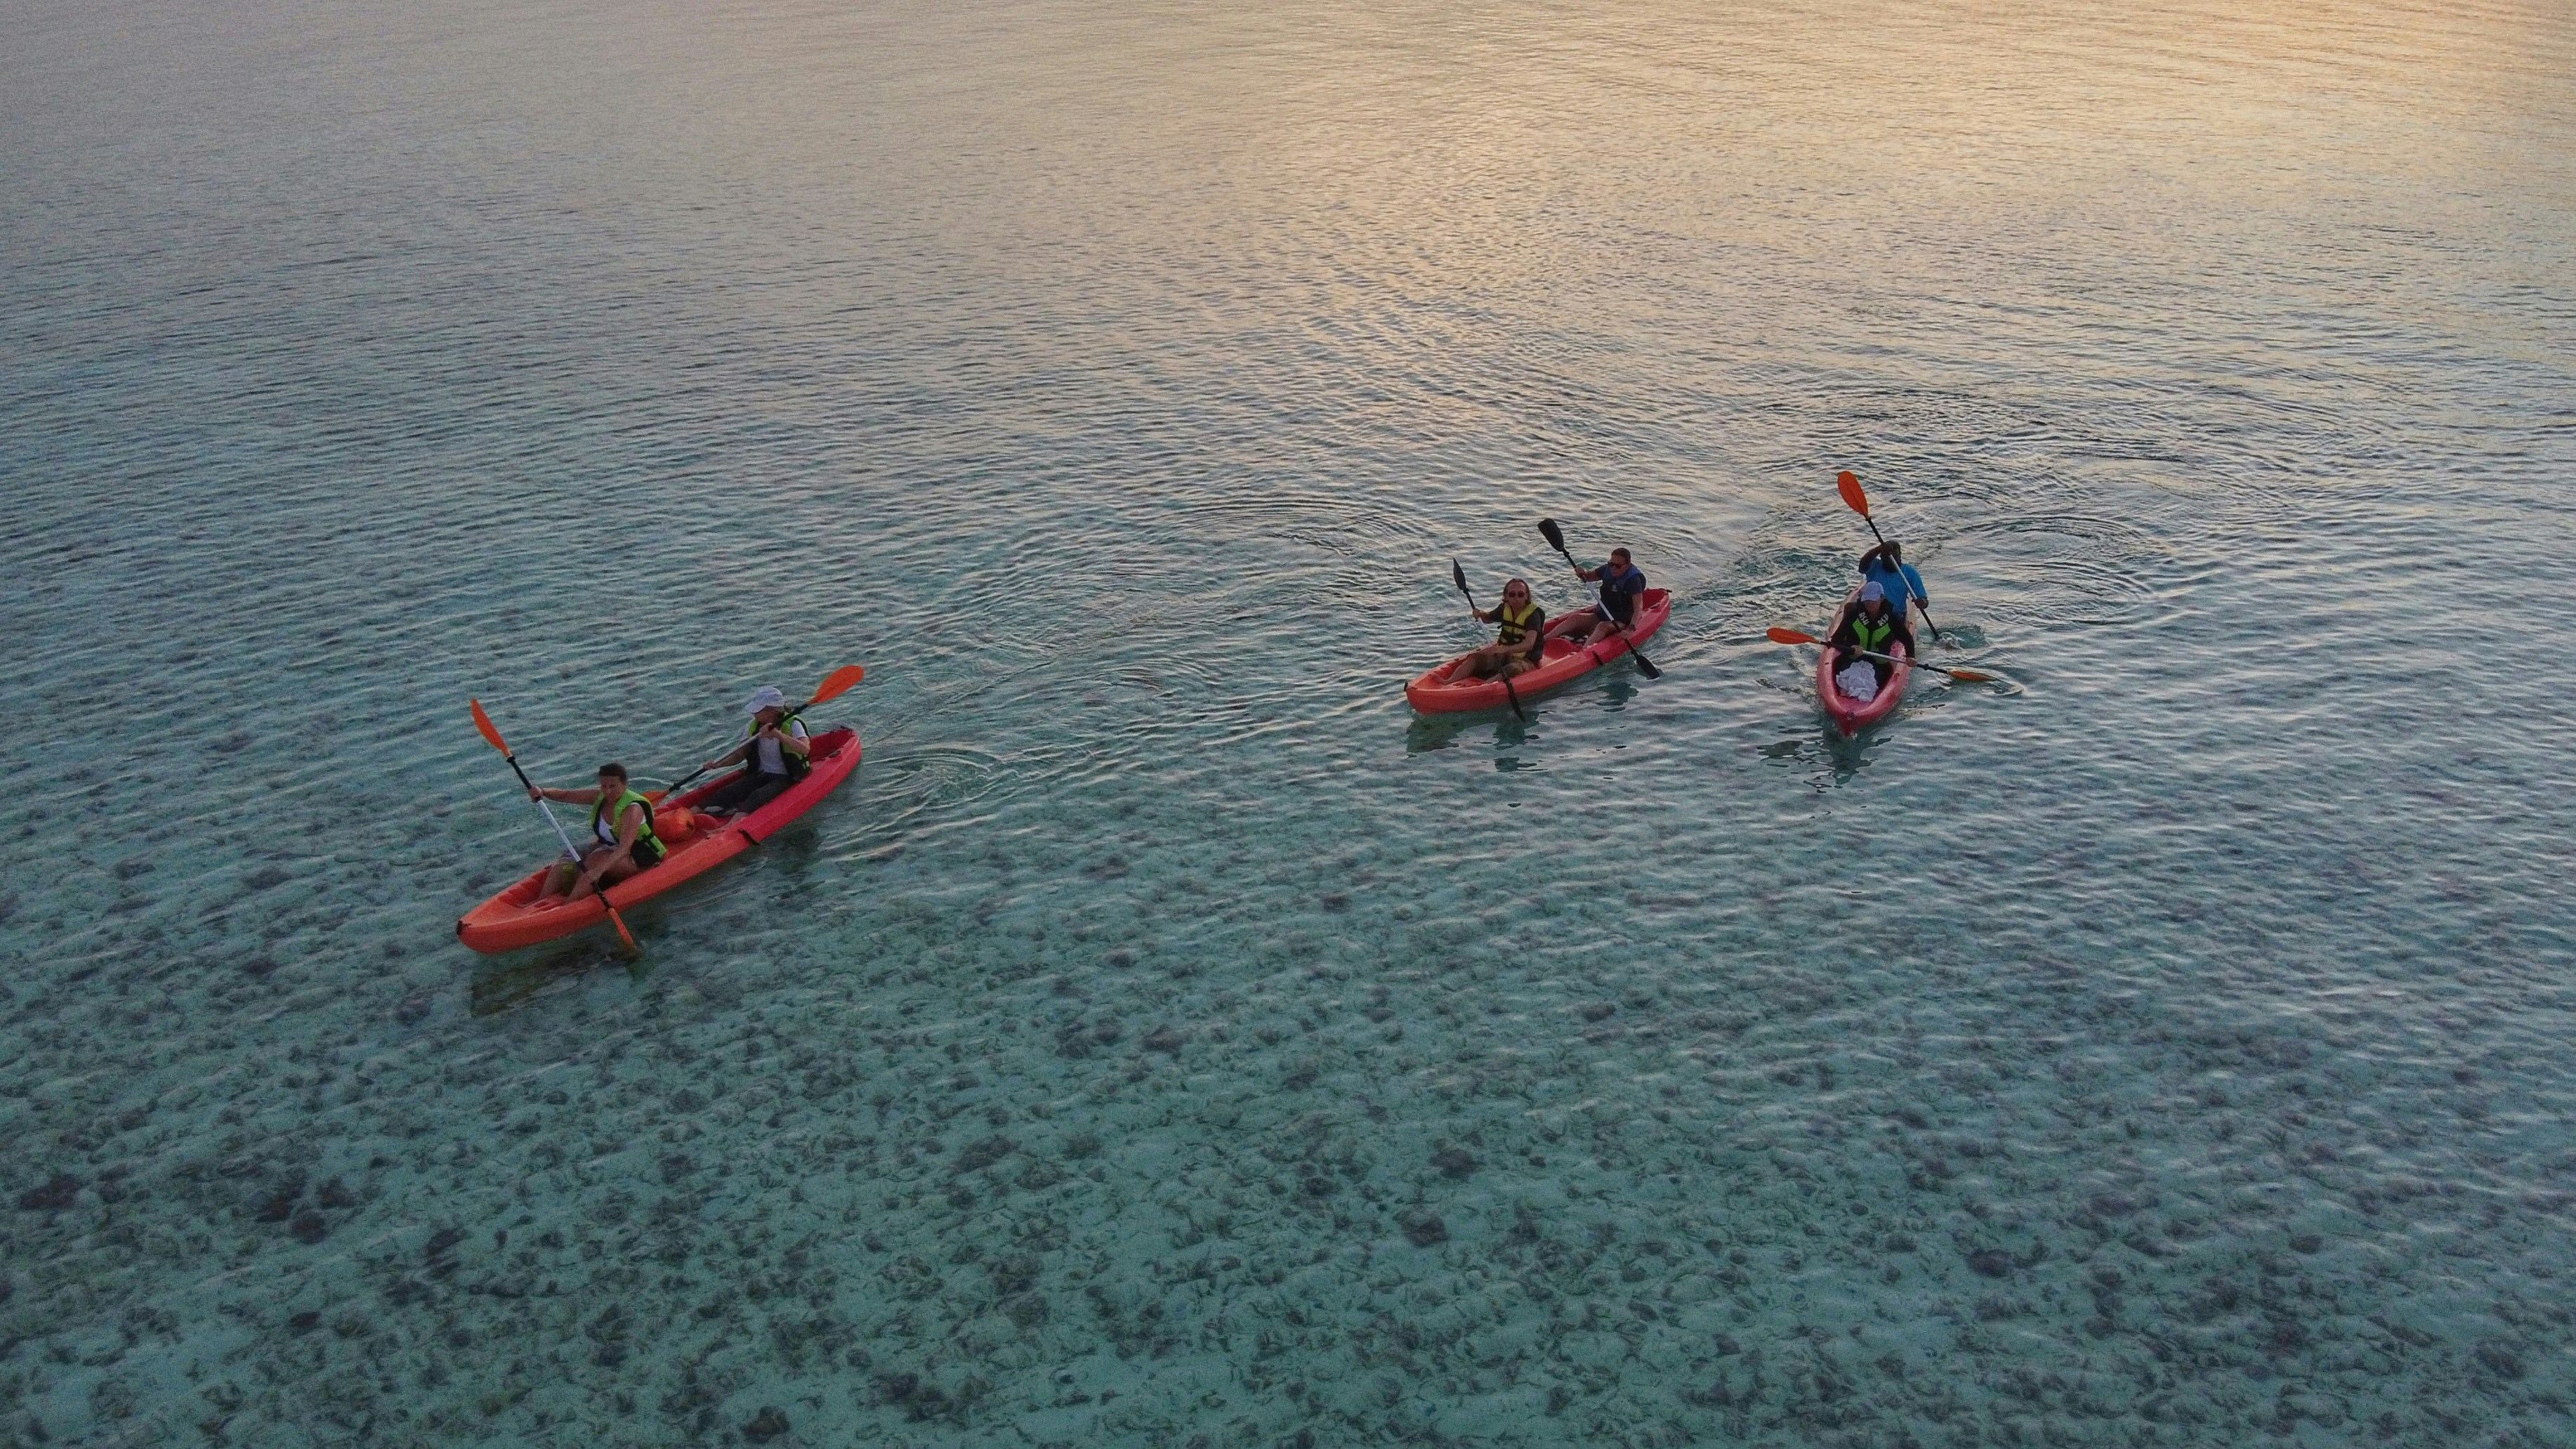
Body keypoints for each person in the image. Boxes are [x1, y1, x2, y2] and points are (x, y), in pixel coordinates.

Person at [529, 762, 664, 903]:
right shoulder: (599, 797)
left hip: (639, 858)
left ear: (624, 784)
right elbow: (566, 795)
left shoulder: (632, 809)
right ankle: (538, 903)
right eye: (604, 786)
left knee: (595, 860)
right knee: (571, 855)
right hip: (609, 849)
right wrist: (543, 792)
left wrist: (598, 871)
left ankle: (569, 904)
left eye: (613, 786)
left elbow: (624, 849)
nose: (607, 791)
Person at [692, 685, 811, 818]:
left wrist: (778, 735)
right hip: (761, 774)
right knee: (726, 792)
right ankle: (689, 814)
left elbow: (805, 749)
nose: (754, 713)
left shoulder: (794, 724)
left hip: (787, 776)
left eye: (758, 710)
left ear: (771, 711)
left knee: (756, 797)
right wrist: (717, 765)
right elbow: (738, 756)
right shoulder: (752, 727)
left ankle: (726, 829)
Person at [1544, 546, 1647, 648]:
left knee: (1602, 626)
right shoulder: (1607, 569)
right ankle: (1543, 640)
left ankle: (1583, 653)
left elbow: (1638, 608)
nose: (1613, 568)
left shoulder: (1633, 581)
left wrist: (1631, 629)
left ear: (1627, 566)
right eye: (1611, 564)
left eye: (1618, 566)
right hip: (1602, 614)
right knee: (1575, 618)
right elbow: (1588, 577)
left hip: (1621, 621)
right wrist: (1582, 573)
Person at [1451, 578, 1546, 685]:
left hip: (1528, 660)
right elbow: (1488, 618)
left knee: (1511, 669)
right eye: (1512, 594)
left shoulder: (1533, 615)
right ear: (1506, 596)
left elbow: (1529, 644)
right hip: (1505, 654)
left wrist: (1502, 649)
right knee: (1475, 658)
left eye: (1520, 594)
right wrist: (1481, 614)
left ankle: (1484, 686)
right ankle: (1448, 683)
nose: (1516, 598)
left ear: (1527, 596)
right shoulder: (1504, 608)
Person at [1829, 581, 1916, 693]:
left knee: (1873, 682)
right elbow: (1836, 640)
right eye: (1867, 600)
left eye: (1873, 600)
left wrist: (1911, 656)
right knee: (1846, 678)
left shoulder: (1891, 619)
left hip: (1878, 665)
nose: (1870, 603)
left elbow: (1907, 639)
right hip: (1851, 660)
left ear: (1882, 598)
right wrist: (1850, 647)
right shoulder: (1853, 615)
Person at [1858, 542, 1926, 626]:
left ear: (1900, 555)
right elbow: (1862, 567)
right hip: (1870, 611)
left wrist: (1922, 602)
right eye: (1888, 557)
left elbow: (1923, 599)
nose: (1891, 561)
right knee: (1849, 608)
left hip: (1895, 614)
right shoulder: (1874, 565)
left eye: (1895, 557)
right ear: (1881, 557)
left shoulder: (1910, 572)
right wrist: (1878, 549)